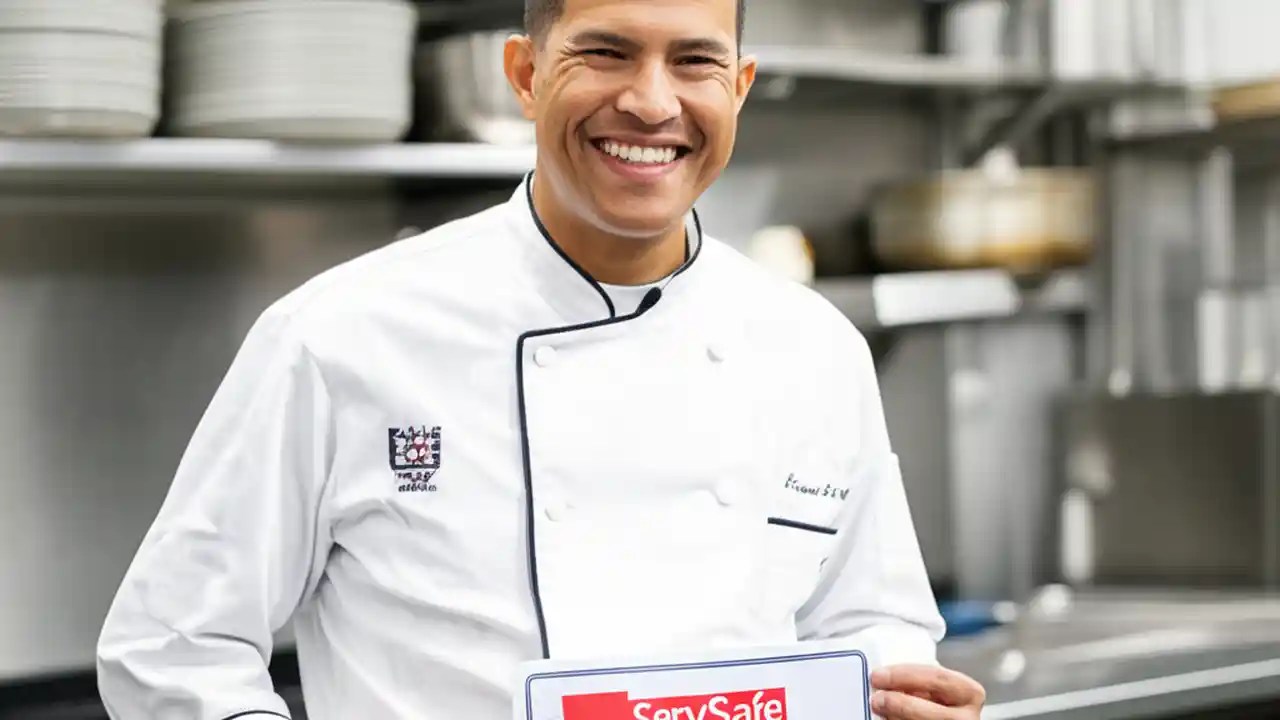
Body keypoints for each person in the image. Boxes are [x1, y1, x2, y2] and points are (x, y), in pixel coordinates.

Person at [97, 0, 986, 717]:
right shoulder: (343, 336)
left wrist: (900, 691)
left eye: (695, 60)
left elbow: (871, 622)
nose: (650, 101)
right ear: (525, 75)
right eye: (604, 52)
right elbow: (174, 648)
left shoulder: (813, 346)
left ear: (741, 87)